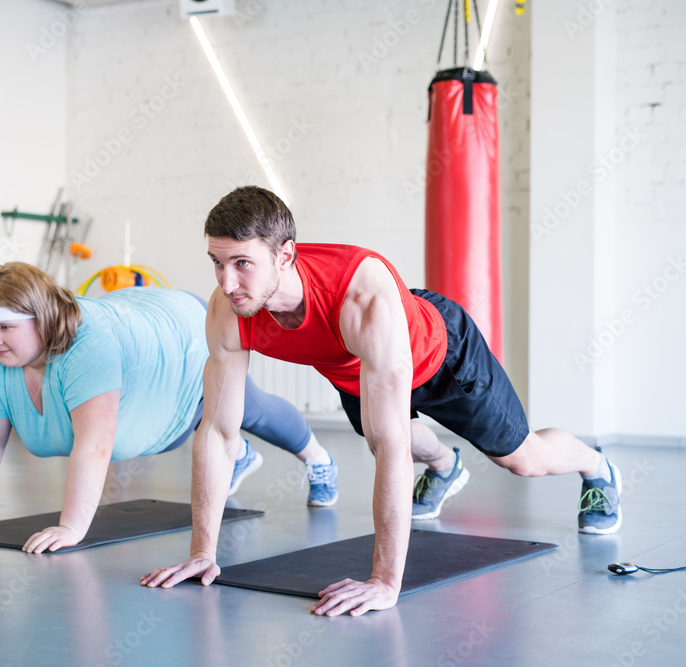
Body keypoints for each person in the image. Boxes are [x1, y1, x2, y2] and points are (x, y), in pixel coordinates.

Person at [141, 186, 621, 616]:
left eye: (242, 264)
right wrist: (203, 551)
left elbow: (389, 448)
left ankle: (595, 466)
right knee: (394, 436)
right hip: (357, 366)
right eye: (217, 263)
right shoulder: (229, 309)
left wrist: (385, 582)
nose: (226, 283)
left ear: (285, 256)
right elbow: (220, 433)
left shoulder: (359, 294)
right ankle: (445, 467)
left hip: (439, 355)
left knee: (523, 460)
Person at [0, 262, 338, 553]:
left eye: (6, 327)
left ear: (43, 318)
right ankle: (239, 455)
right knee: (214, 424)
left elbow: (95, 447)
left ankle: (318, 460)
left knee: (250, 408)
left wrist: (71, 527)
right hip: (141, 340)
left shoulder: (88, 347)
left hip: (182, 334)